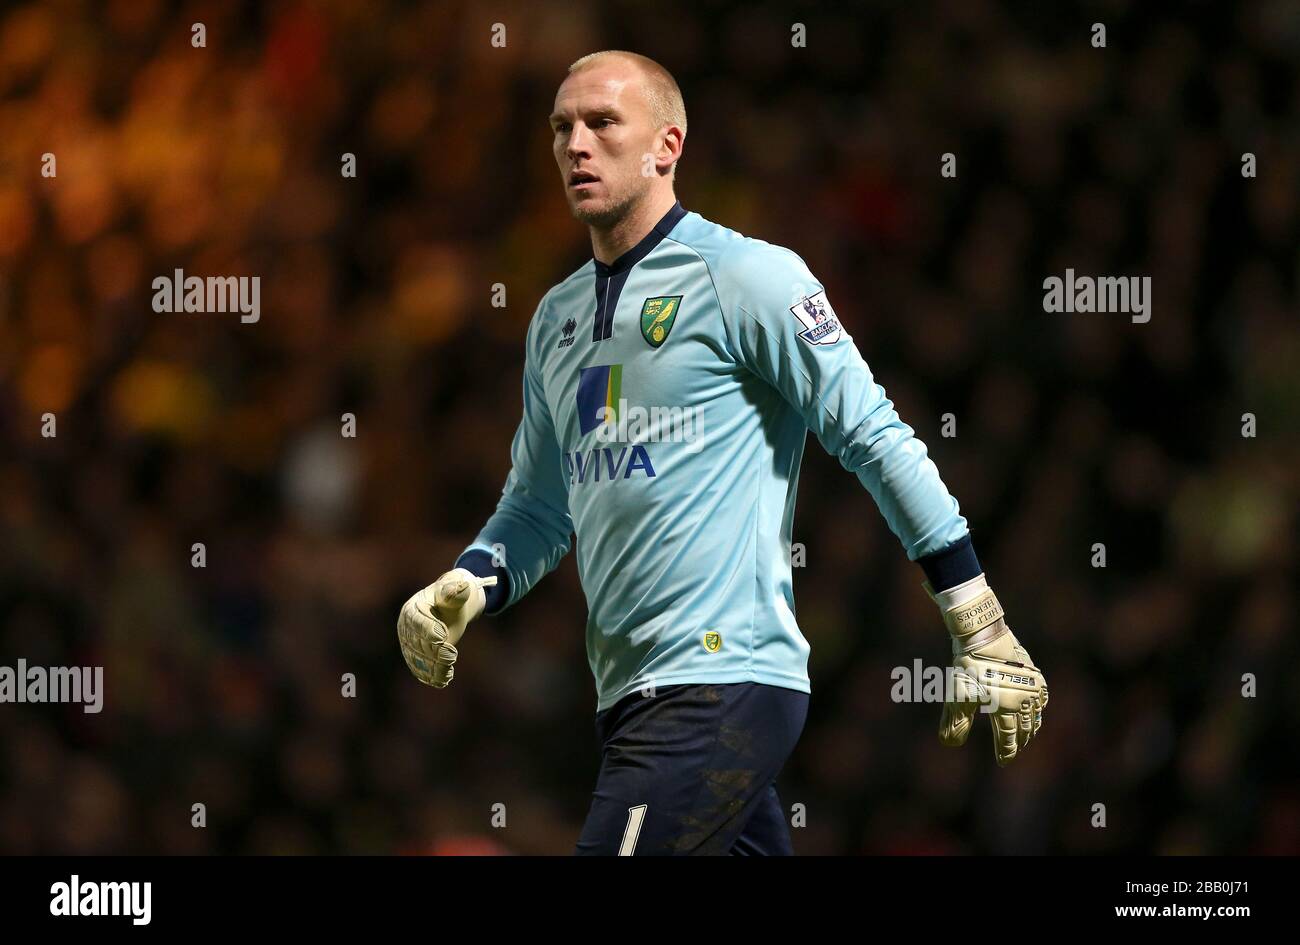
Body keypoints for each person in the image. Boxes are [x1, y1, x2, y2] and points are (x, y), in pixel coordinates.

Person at [396, 50, 1048, 856]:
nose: (576, 144)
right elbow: (536, 506)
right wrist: (470, 579)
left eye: (602, 123)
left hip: (718, 681)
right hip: (627, 692)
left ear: (666, 146)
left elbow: (874, 434)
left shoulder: (748, 277)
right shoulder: (556, 320)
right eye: (562, 126)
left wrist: (976, 616)